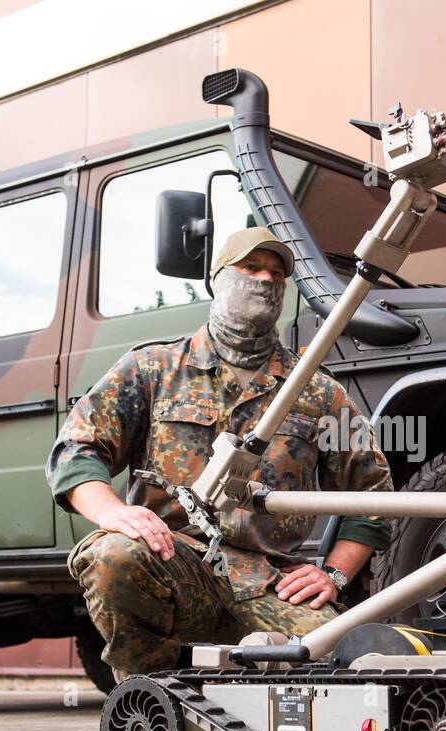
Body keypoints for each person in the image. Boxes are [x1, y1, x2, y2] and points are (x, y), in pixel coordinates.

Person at [46, 227, 394, 678]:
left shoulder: (316, 390)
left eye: (275, 274)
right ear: (218, 279)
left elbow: (373, 494)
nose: (265, 280)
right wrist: (111, 512)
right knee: (115, 555)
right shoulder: (153, 369)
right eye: (250, 267)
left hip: (270, 582)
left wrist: (335, 574)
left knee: (336, 664)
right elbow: (77, 448)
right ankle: (148, 695)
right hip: (173, 562)